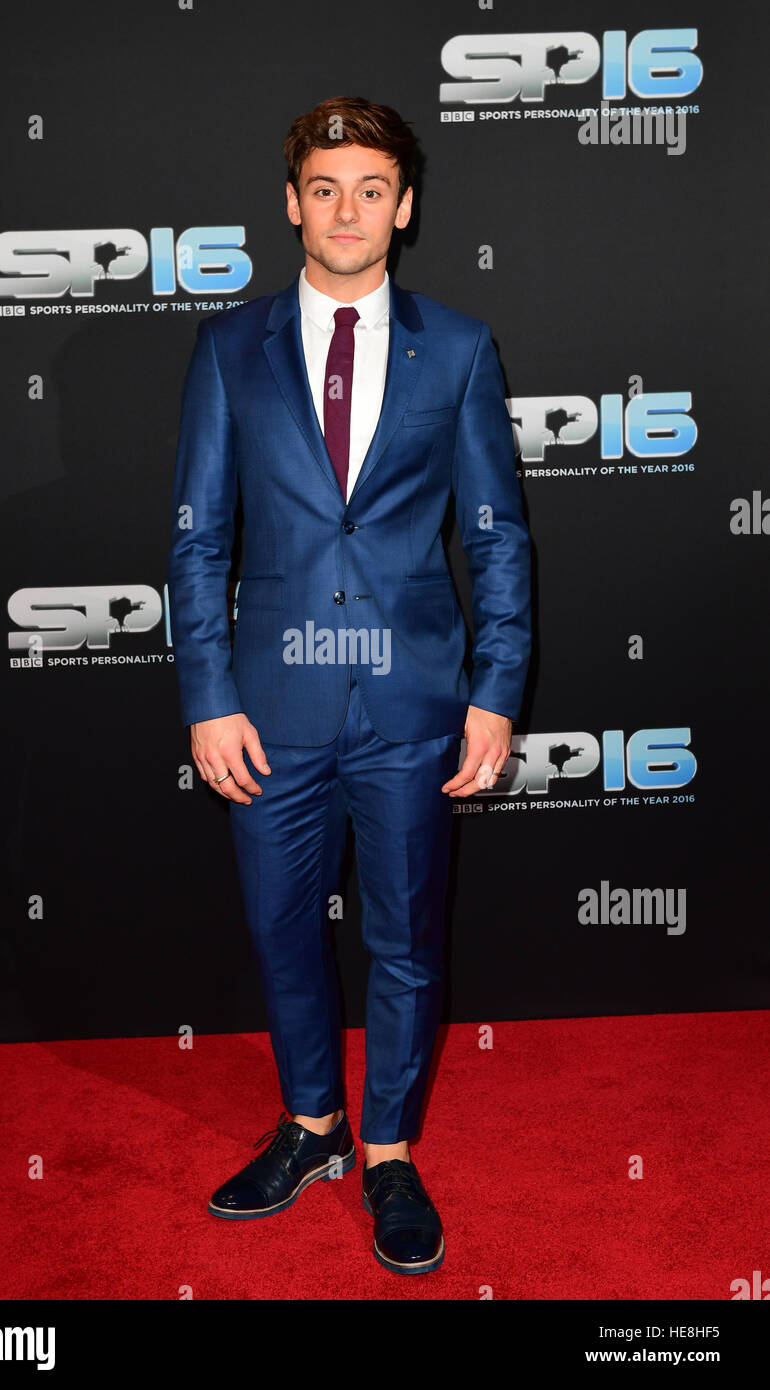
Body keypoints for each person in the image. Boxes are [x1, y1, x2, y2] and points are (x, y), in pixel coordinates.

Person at [167, 96, 531, 1275]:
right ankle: (311, 1124)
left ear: (404, 207)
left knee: (406, 938)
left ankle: (385, 1151)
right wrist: (206, 693)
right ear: (291, 203)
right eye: (323, 188)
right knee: (282, 933)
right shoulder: (228, 350)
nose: (346, 210)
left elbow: (496, 538)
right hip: (268, 708)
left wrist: (494, 688)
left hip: (414, 704)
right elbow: (196, 543)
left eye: (370, 188)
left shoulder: (461, 348)